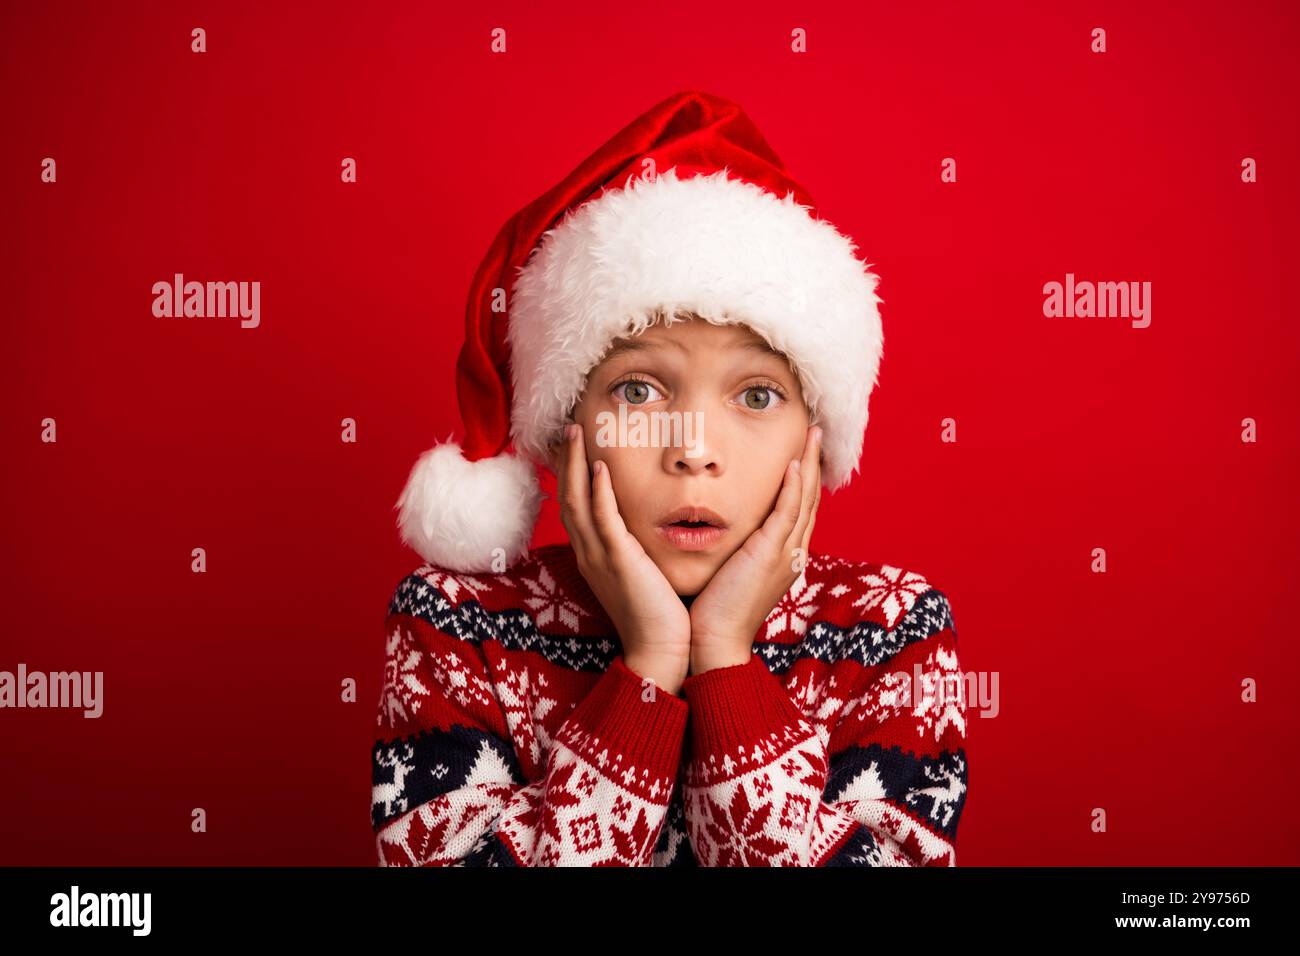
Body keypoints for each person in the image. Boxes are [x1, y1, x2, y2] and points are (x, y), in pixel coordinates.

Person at [371, 90, 968, 866]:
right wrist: (649, 666)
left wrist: (723, 660)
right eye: (638, 390)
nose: (693, 450)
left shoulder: (889, 633)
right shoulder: (456, 626)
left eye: (757, 396)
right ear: (561, 435)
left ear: (815, 444)